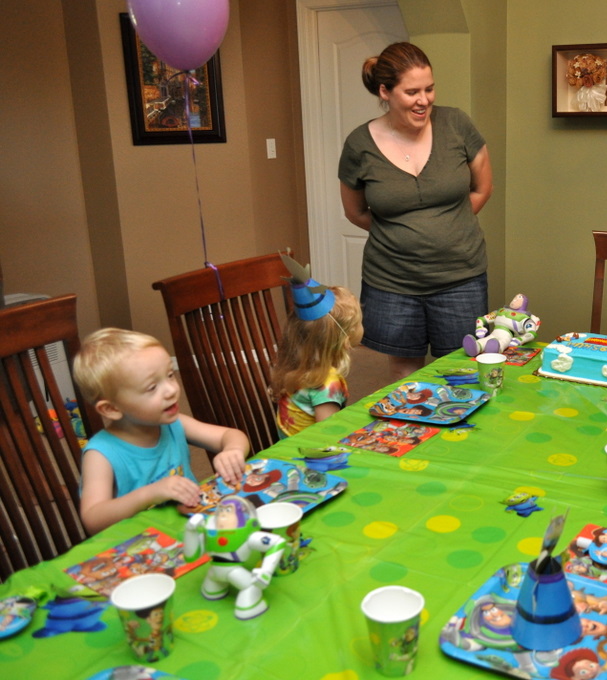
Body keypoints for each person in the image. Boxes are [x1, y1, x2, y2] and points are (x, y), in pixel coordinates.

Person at [338, 42, 494, 382]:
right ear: (385, 91)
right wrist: (399, 234)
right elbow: (355, 211)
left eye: (429, 88)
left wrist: (450, 226)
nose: (424, 100)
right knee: (405, 371)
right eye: (412, 92)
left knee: (462, 368)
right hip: (392, 281)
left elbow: (482, 188)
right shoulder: (359, 144)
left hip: (461, 277)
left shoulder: (456, 124)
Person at [73, 329, 249, 534]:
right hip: (139, 545)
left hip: (190, 528)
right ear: (112, 409)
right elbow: (93, 518)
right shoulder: (100, 454)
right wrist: (151, 493)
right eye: (152, 387)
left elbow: (231, 435)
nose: (172, 390)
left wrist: (233, 450)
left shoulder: (173, 424)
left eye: (170, 375)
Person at [271, 254, 364, 438]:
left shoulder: (292, 366)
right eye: (359, 323)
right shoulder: (327, 384)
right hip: (308, 460)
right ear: (345, 339)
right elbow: (328, 437)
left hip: (286, 450)